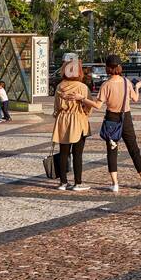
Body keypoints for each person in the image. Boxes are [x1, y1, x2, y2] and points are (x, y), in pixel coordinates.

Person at [97, 55, 141, 193]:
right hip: (126, 118)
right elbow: (135, 99)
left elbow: (98, 105)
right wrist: (137, 88)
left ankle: (115, 184)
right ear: (119, 67)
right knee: (134, 149)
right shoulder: (126, 82)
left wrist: (83, 99)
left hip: (111, 119)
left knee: (112, 151)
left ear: (107, 68)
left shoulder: (106, 85)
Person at [52, 56, 97, 191]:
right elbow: (88, 106)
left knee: (64, 153)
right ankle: (78, 182)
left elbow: (56, 107)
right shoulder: (82, 87)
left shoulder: (60, 87)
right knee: (78, 153)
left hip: (63, 120)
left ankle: (63, 182)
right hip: (78, 120)